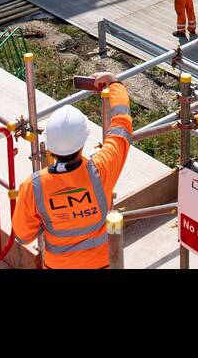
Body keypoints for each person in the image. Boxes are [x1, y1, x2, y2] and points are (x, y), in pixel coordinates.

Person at [11, 73, 133, 268]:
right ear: (83, 140)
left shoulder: (33, 187)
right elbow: (121, 127)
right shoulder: (102, 168)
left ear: (48, 144)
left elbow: (23, 236)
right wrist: (114, 84)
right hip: (103, 263)